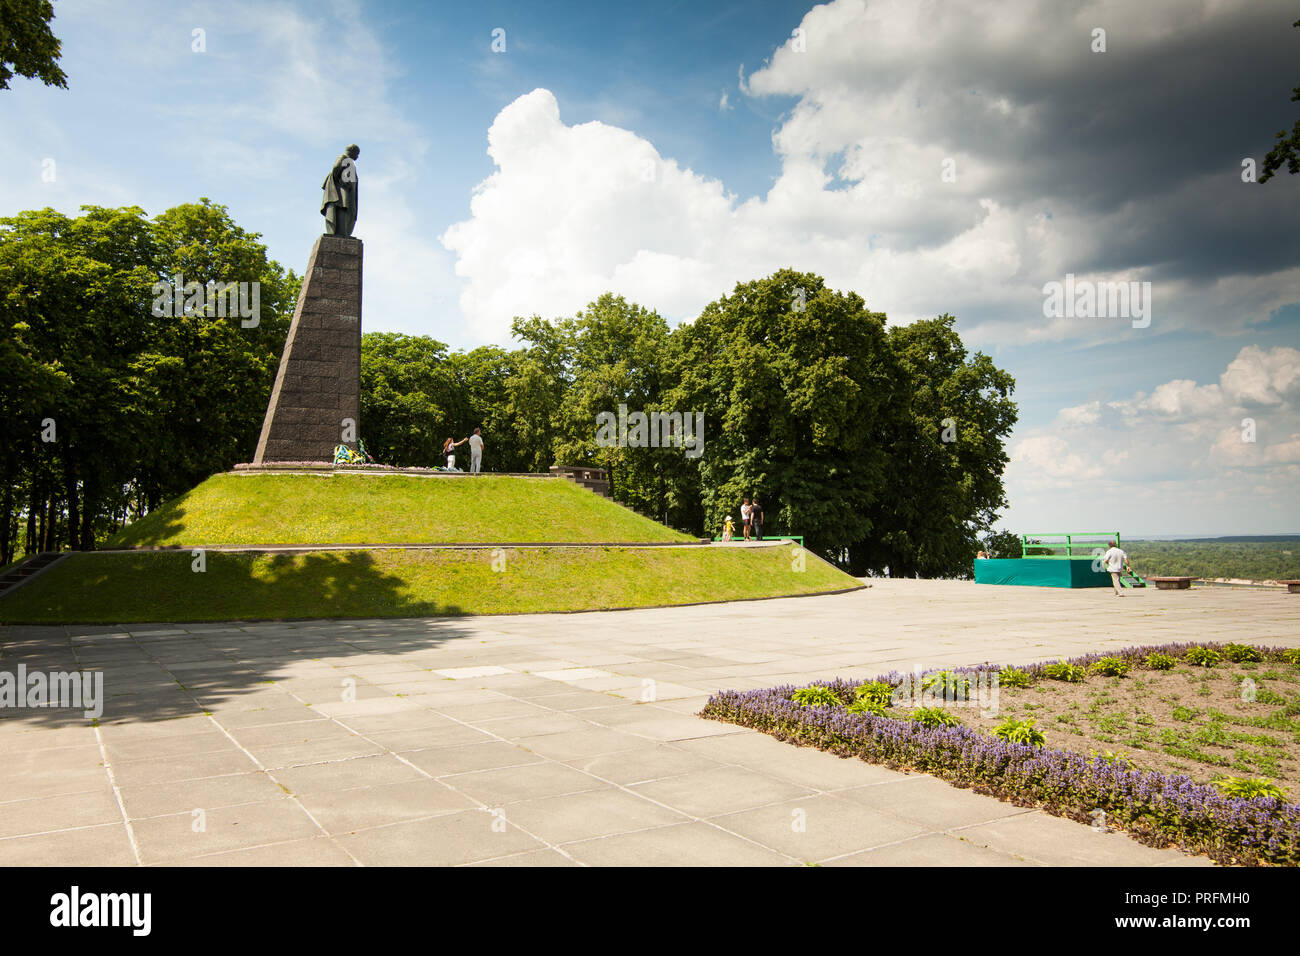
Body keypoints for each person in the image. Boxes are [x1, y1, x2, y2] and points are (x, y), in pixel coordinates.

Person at [321, 145, 360, 237]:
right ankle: (340, 232)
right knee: (342, 207)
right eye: (357, 154)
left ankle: (342, 232)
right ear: (352, 151)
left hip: (344, 189)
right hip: (341, 190)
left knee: (344, 209)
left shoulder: (348, 161)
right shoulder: (344, 158)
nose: (357, 156)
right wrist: (339, 180)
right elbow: (336, 167)